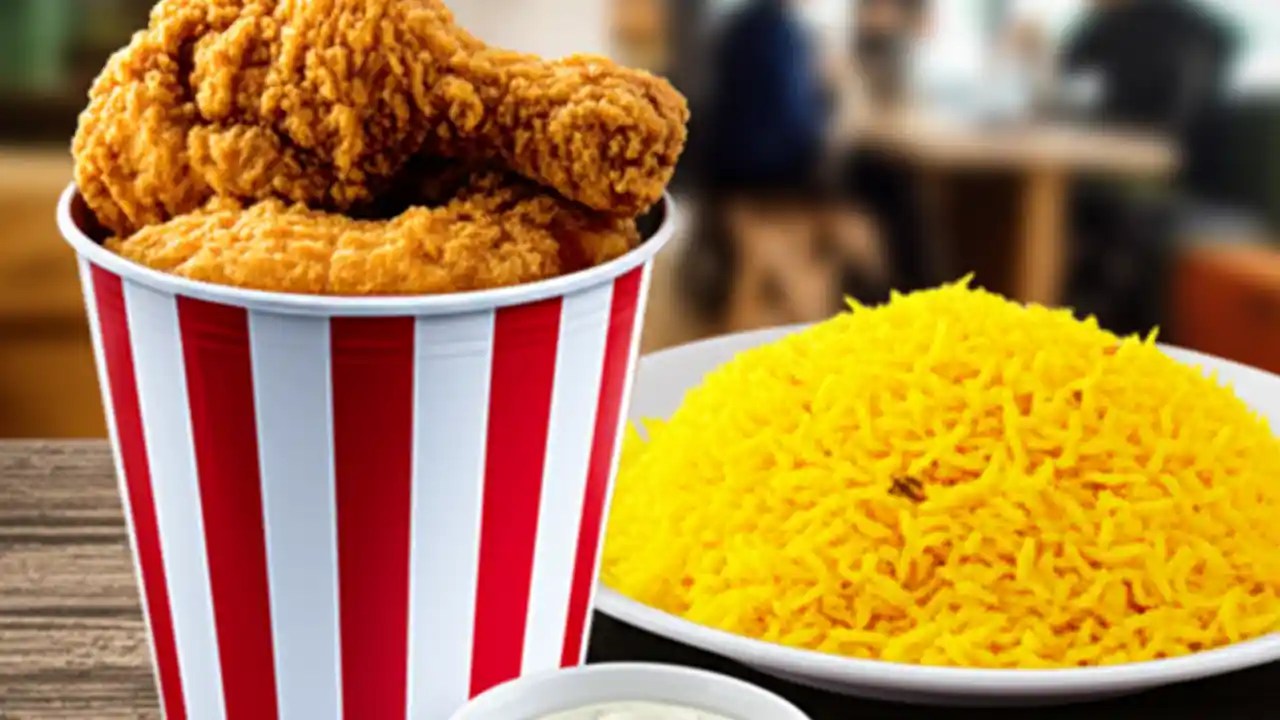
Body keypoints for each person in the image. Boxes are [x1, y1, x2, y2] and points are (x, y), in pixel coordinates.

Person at [1060, 0, 1238, 335]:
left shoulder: (1186, 31)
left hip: (1171, 178)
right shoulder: (1101, 27)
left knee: (1088, 212)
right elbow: (1067, 81)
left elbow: (1172, 127)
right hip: (1106, 168)